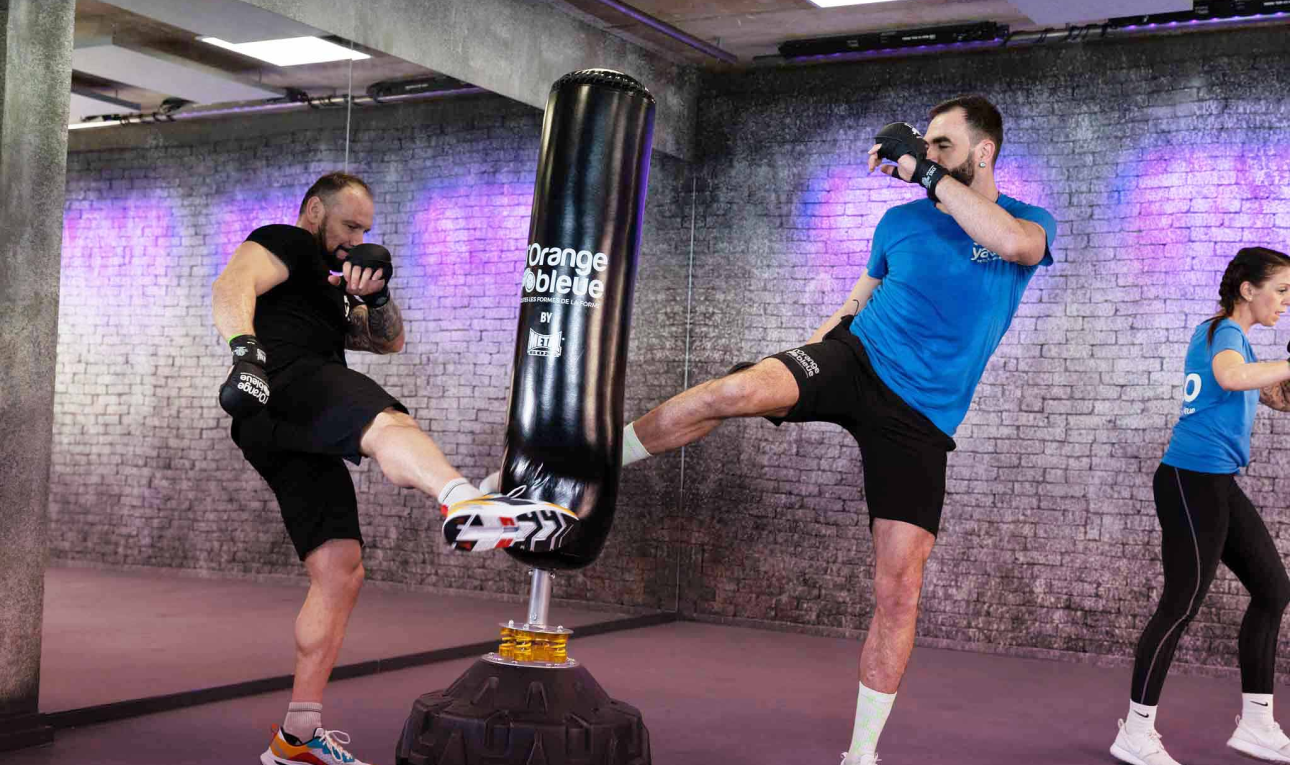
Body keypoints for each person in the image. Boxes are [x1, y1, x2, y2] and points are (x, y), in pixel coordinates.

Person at [618, 95, 1056, 764]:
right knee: (733, 390)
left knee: (899, 588)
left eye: (942, 144)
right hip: (856, 359)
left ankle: (861, 754)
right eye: (925, 145)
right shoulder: (899, 222)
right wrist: (790, 376)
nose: (929, 154)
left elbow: (1013, 245)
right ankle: (596, 458)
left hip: (922, 417)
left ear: (983, 152)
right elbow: (855, 303)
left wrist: (926, 174)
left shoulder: (1027, 222)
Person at [211, 172, 575, 766]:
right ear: (313, 212)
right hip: (283, 379)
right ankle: (462, 499)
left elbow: (388, 342)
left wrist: (374, 298)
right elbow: (232, 284)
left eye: (365, 231)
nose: (357, 238)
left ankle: (296, 739)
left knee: (339, 572)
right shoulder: (288, 240)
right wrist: (246, 354)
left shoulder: (327, 284)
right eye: (349, 226)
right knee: (389, 425)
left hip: (279, 428)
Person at [1110, 247, 1290, 766]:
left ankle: (1256, 724)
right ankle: (1135, 732)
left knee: (1274, 590)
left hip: (1215, 482)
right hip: (1191, 481)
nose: (1284, 302)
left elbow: (1271, 394)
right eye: (1278, 290)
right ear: (1247, 290)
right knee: (1182, 602)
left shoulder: (1234, 344)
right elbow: (1232, 377)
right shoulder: (1223, 336)